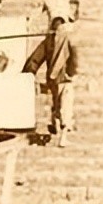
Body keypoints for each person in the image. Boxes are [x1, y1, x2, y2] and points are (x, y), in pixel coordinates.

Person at [28, 15, 79, 146]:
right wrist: (72, 74)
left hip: (52, 78)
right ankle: (63, 137)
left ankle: (54, 124)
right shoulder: (68, 39)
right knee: (66, 106)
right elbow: (75, 59)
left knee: (57, 104)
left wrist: (28, 73)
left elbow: (36, 58)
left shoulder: (48, 41)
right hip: (64, 79)